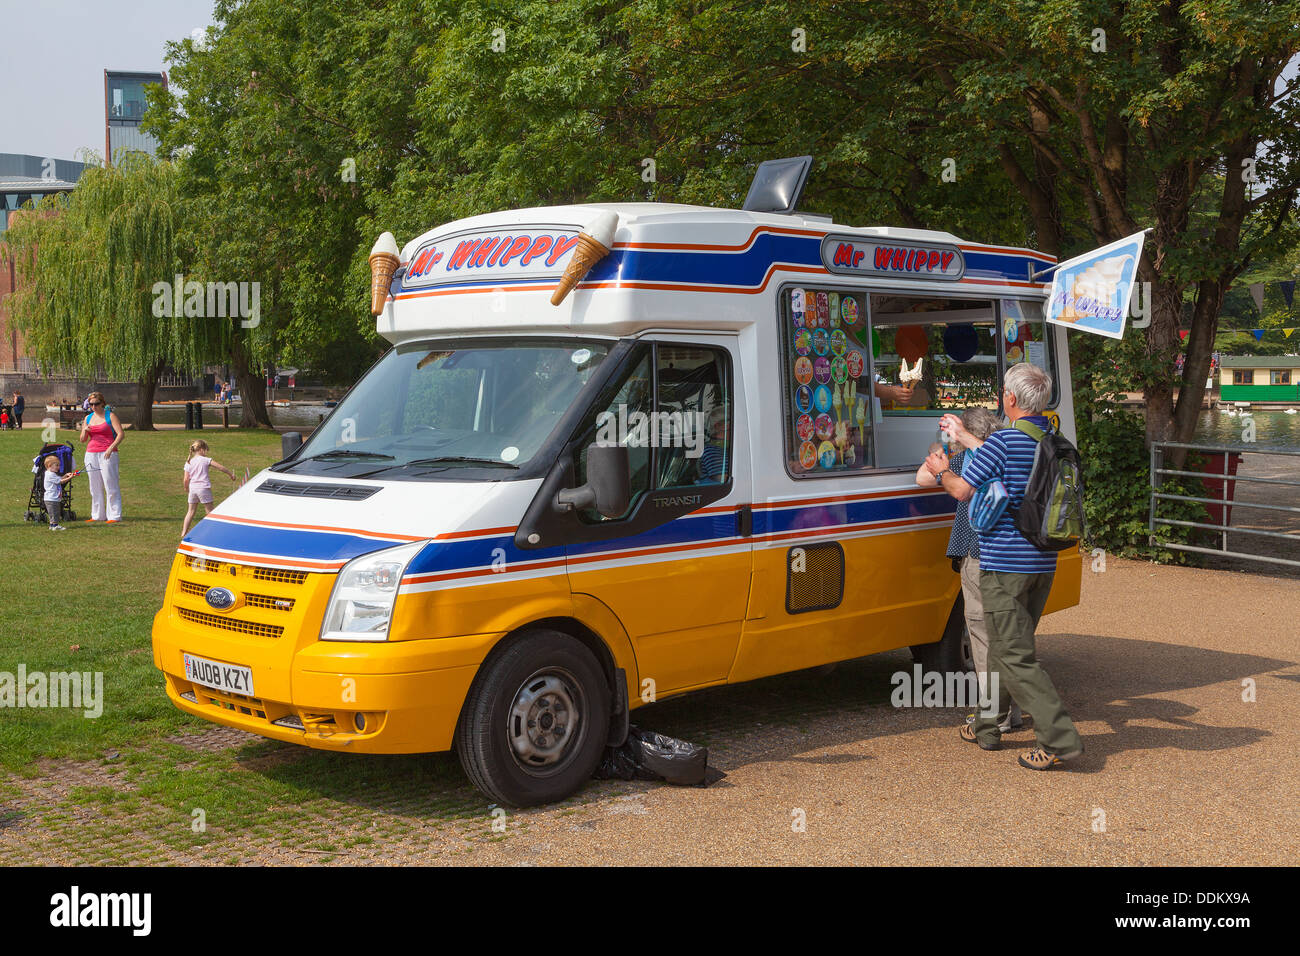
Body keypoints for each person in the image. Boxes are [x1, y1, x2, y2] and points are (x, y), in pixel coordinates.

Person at [924, 363, 1084, 770]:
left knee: (1014, 656)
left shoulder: (1001, 444)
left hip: (1003, 566)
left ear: (1009, 399)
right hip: (1043, 562)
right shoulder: (1057, 442)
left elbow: (961, 490)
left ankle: (1059, 740)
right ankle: (987, 725)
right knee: (1005, 647)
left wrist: (943, 469)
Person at [915, 407, 1024, 733]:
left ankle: (994, 716)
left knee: (983, 638)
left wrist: (938, 456)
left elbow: (922, 477)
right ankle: (1012, 711)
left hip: (979, 558)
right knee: (1007, 637)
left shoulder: (965, 462)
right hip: (1014, 557)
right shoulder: (1008, 455)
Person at [79, 392, 125, 523]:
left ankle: (114, 515)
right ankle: (97, 515)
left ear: (102, 403)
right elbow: (82, 440)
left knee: (110, 484)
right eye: (91, 404)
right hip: (91, 453)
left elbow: (121, 434)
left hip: (108, 453)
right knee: (94, 486)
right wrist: (85, 430)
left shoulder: (110, 416)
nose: (94, 407)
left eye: (96, 404)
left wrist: (111, 447)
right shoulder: (88, 418)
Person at [182, 439, 236, 537]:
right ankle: (214, 532)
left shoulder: (189, 462)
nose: (206, 453)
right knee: (210, 511)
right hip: (203, 488)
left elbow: (186, 479)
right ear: (202, 449)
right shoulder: (206, 460)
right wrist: (230, 474)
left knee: (190, 511)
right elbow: (220, 467)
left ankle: (184, 532)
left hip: (193, 488)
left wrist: (186, 488)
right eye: (206, 450)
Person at [42, 455, 74, 531]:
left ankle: (52, 525)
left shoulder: (50, 473)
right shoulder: (50, 475)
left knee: (53, 513)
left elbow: (59, 479)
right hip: (51, 498)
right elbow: (61, 481)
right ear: (50, 465)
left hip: (52, 498)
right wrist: (70, 478)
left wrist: (66, 475)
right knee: (55, 513)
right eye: (57, 465)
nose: (58, 467)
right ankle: (55, 526)